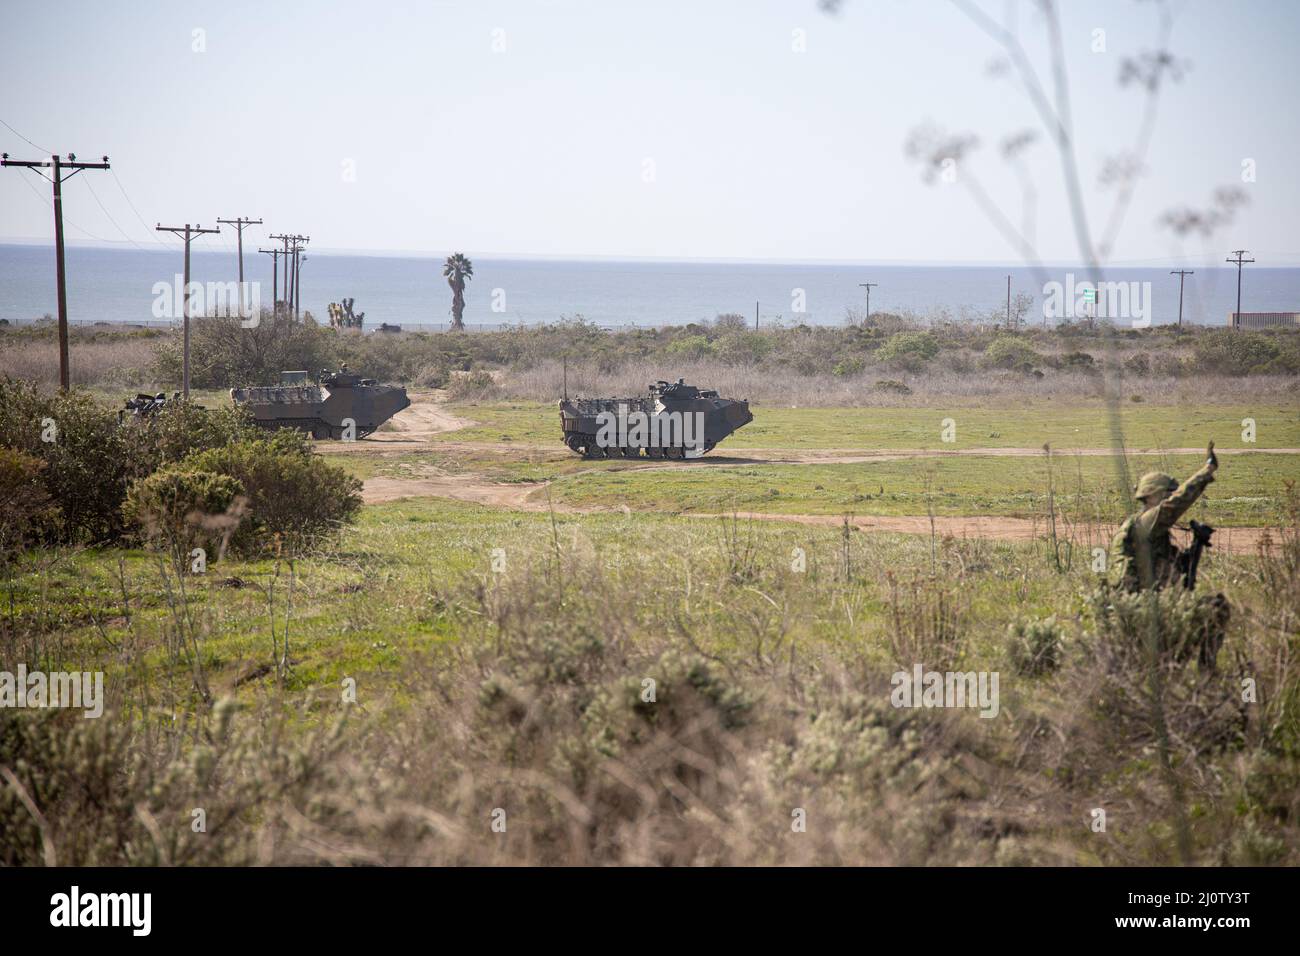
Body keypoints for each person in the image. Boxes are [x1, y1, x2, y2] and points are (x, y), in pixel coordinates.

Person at [1108, 442, 1228, 670]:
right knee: (1216, 608)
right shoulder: (1147, 522)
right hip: (1142, 611)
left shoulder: (1150, 531)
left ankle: (1191, 667)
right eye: (1167, 495)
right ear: (1154, 497)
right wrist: (1206, 472)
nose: (1170, 499)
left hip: (1147, 607)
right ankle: (1205, 671)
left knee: (1214, 605)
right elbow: (1175, 505)